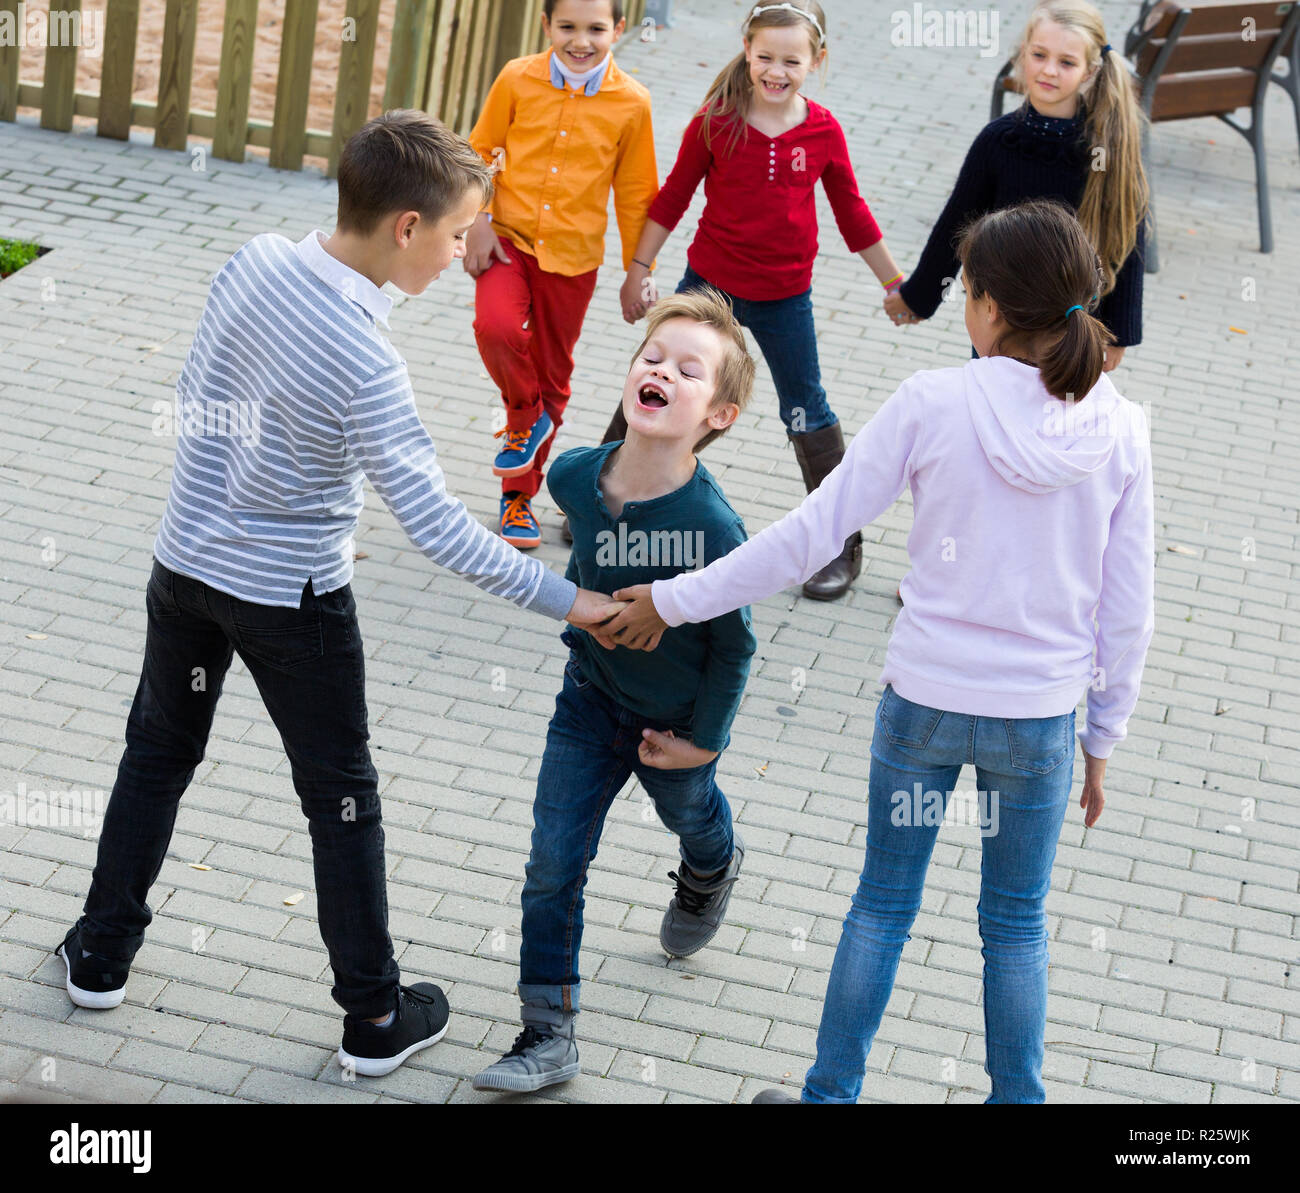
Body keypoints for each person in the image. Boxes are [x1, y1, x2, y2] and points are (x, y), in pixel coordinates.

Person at [57, 111, 624, 1081]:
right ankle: (372, 1014)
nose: (459, 258)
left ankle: (100, 953)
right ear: (406, 226)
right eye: (454, 236)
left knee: (156, 752)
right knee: (342, 798)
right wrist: (571, 601)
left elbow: (204, 396)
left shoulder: (254, 259)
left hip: (187, 566)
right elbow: (442, 531)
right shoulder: (369, 365)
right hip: (294, 599)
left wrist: (255, 489)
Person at [604, 200, 1156, 1104]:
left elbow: (810, 535)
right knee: (1016, 923)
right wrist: (1104, 736)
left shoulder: (932, 402)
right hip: (1040, 722)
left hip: (926, 708)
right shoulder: (1121, 428)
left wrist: (672, 596)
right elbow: (1128, 608)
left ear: (981, 307)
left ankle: (831, 1095)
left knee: (883, 904)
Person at [472, 289, 759, 1093]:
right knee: (552, 860)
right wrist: (583, 613)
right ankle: (547, 1031)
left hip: (676, 722)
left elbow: (736, 647)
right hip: (588, 702)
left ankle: (713, 865)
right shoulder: (573, 476)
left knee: (690, 815)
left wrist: (705, 741)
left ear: (721, 414)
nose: (661, 369)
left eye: (688, 368)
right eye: (652, 356)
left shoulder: (713, 528)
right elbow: (586, 558)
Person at [589, 0, 905, 601]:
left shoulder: (822, 131)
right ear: (747, 50)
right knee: (660, 383)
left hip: (786, 296)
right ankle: (602, 499)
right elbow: (672, 197)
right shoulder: (717, 121)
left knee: (806, 409)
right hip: (709, 289)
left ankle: (838, 546)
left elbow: (853, 212)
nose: (776, 70)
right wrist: (638, 269)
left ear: (817, 60)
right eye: (765, 57)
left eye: (792, 60)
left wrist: (895, 284)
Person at [466, 0, 659, 549]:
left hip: (574, 259)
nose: (581, 41)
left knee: (553, 372)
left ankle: (517, 500)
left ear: (617, 30)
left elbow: (636, 192)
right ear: (546, 25)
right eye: (567, 27)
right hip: (508, 241)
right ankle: (527, 419)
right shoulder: (516, 78)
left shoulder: (632, 103)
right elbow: (482, 151)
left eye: (596, 29)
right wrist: (477, 223)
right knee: (496, 328)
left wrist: (636, 271)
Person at [885, 0, 1148, 374]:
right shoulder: (998, 142)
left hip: (1074, 329)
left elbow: (1128, 238)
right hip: (1001, 324)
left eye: (1067, 62)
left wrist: (1119, 332)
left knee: (1060, 424)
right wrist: (917, 298)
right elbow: (956, 227)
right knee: (993, 419)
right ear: (1022, 52)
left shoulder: (1107, 148)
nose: (1049, 70)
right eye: (1039, 54)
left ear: (1090, 70)